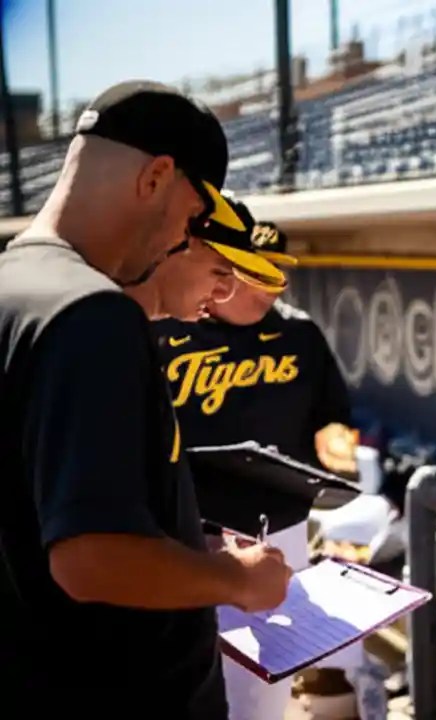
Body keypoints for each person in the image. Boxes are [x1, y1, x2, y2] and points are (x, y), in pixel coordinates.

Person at [0, 80, 292, 718]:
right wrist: (240, 582)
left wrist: (187, 547)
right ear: (157, 176)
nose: (179, 243)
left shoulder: (12, 283)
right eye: (191, 221)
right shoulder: (92, 311)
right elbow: (90, 556)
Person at [149, 202, 362, 719]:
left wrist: (337, 441)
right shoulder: (166, 330)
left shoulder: (298, 333)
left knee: (267, 678)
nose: (265, 291)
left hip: (276, 522)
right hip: (187, 524)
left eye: (275, 277)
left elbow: (332, 415)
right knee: (189, 666)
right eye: (249, 276)